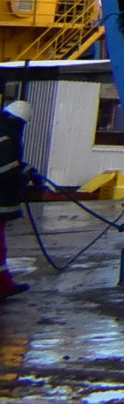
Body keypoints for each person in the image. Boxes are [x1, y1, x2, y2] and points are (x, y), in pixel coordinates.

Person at [0, 99, 29, 299]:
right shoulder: (7, 139)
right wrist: (25, 177)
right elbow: (8, 174)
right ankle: (3, 286)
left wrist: (27, 170)